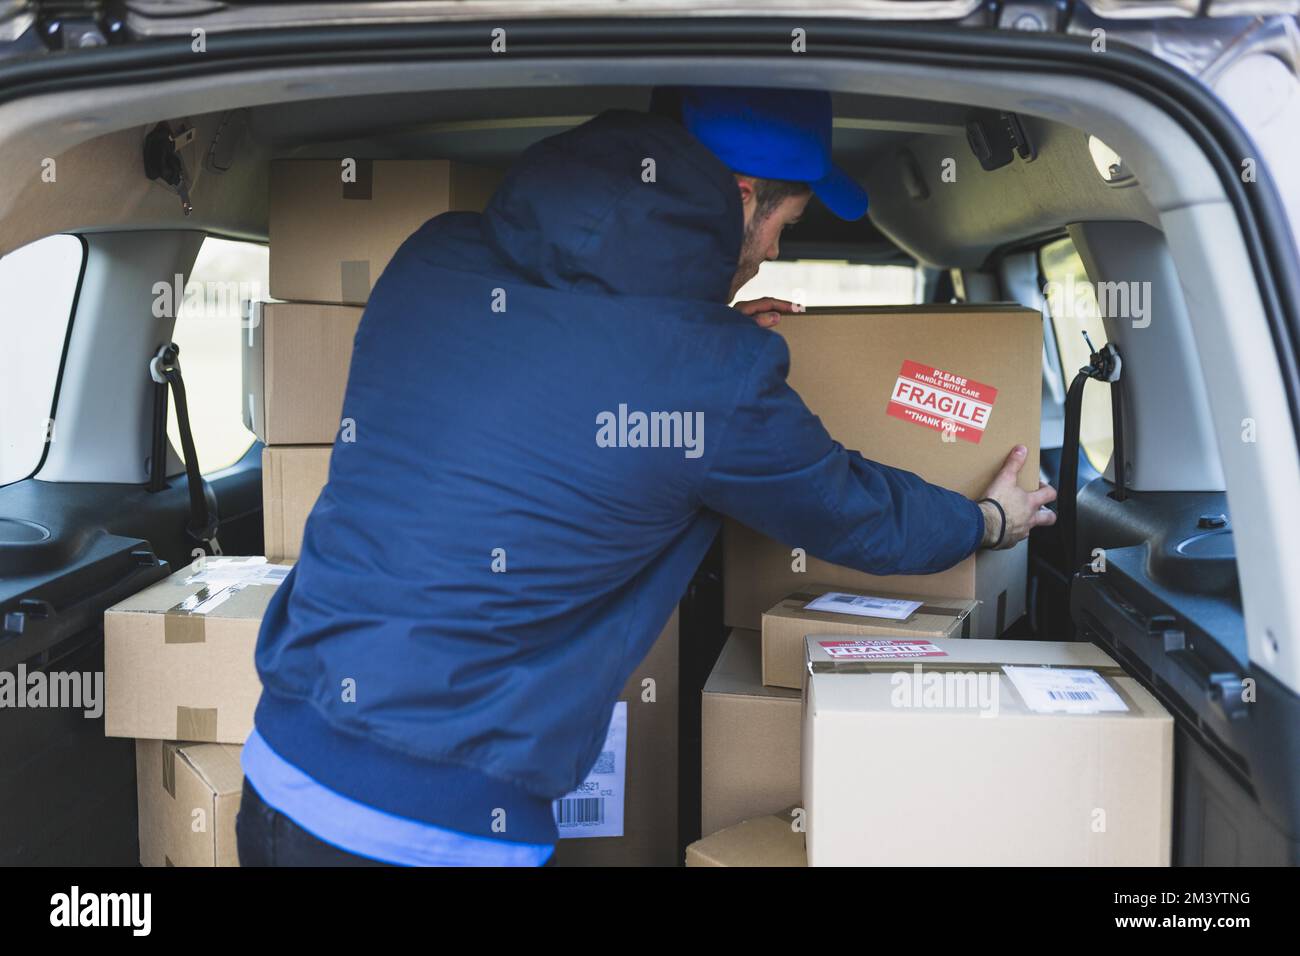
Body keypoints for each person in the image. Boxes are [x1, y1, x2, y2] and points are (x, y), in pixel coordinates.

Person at [236, 86, 1057, 867]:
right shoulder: (710, 376)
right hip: (431, 825)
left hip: (277, 764)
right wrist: (987, 520)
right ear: (743, 197)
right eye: (786, 223)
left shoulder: (434, 255)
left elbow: (545, 376)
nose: (774, 251)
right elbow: (850, 511)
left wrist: (694, 339)